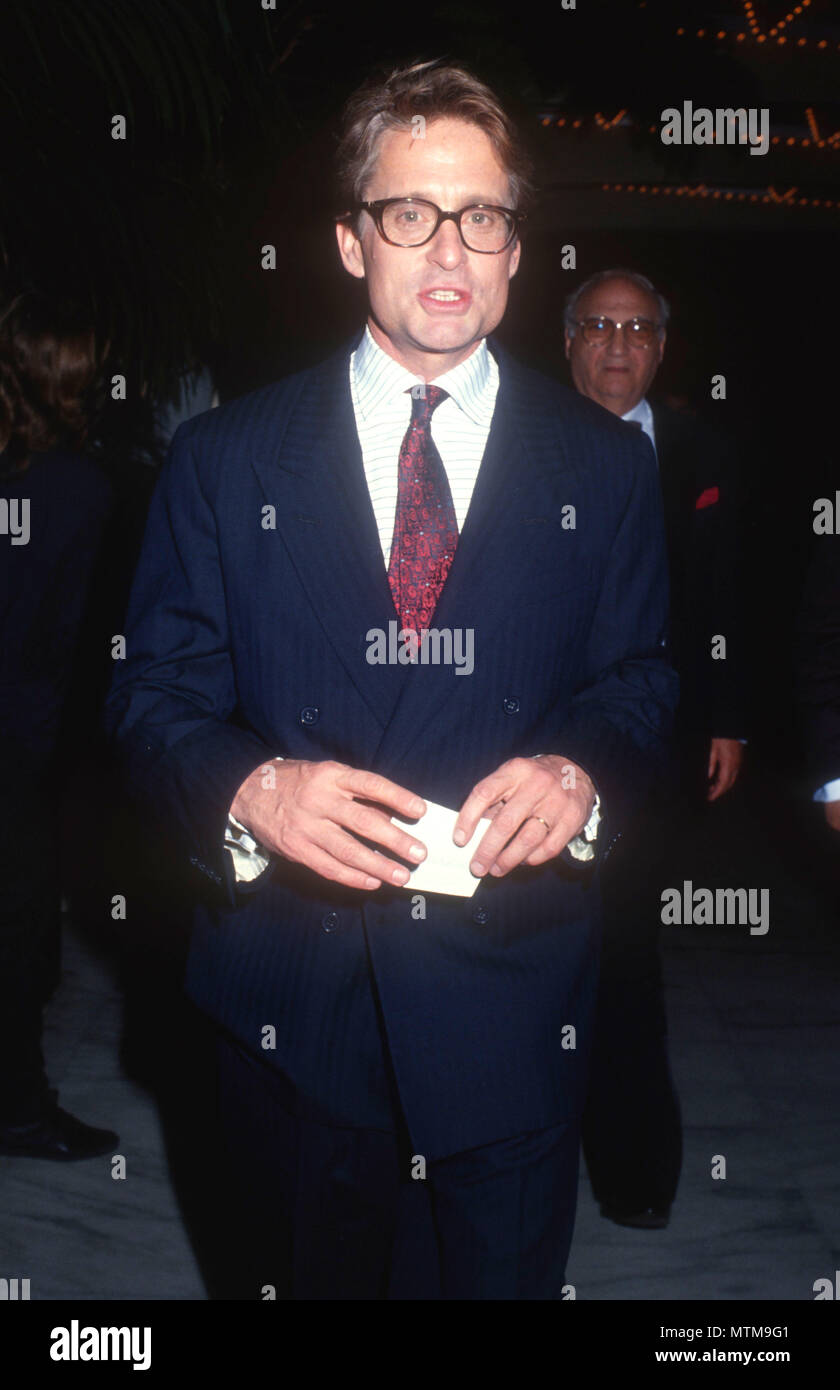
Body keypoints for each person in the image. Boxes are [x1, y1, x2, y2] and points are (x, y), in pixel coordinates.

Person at [105, 61, 677, 1300]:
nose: (450, 249)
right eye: (411, 212)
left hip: (513, 1013)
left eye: (482, 215)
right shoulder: (224, 461)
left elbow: (640, 680)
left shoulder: (605, 468)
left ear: (517, 247)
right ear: (350, 240)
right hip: (291, 1014)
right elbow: (150, 701)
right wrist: (251, 789)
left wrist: (581, 770)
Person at [565, 268, 748, 1227]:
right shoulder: (519, 442)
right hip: (533, 740)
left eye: (638, 328)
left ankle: (635, 1175)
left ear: (663, 348)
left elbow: (729, 593)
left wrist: (729, 717)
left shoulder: (701, 452)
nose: (618, 344)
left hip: (655, 747)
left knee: (629, 949)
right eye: (598, 324)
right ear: (568, 341)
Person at [0, 290, 117, 1160]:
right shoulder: (82, 488)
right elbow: (68, 642)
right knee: (21, 936)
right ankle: (18, 1111)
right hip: (20, 748)